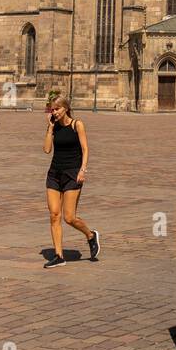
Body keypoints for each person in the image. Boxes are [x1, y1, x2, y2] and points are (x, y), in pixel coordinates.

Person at [43, 96, 100, 268]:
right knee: (54, 215)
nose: (54, 112)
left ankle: (90, 235)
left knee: (69, 217)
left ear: (65, 108)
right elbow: (46, 150)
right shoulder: (54, 126)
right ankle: (59, 255)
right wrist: (50, 128)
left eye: (57, 109)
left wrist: (83, 170)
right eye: (52, 110)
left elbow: (85, 149)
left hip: (73, 174)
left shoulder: (77, 125)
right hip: (54, 174)